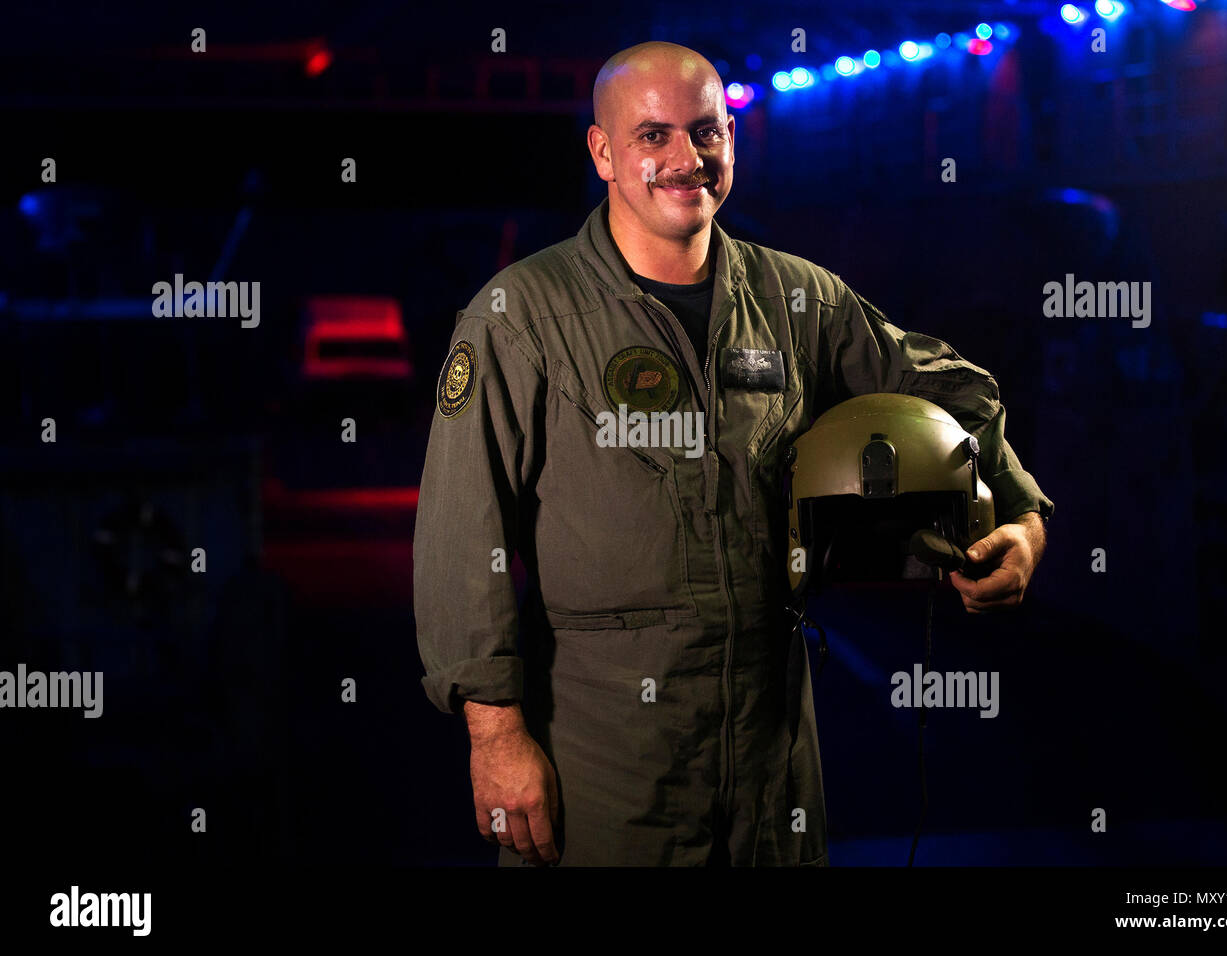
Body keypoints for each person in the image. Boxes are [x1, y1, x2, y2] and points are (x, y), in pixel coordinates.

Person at [413, 41, 1053, 866]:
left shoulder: (799, 301)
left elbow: (955, 391)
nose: (687, 159)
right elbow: (464, 534)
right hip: (605, 754)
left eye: (706, 132)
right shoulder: (520, 319)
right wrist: (496, 738)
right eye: (653, 137)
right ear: (604, 153)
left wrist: (1024, 517)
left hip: (772, 750)